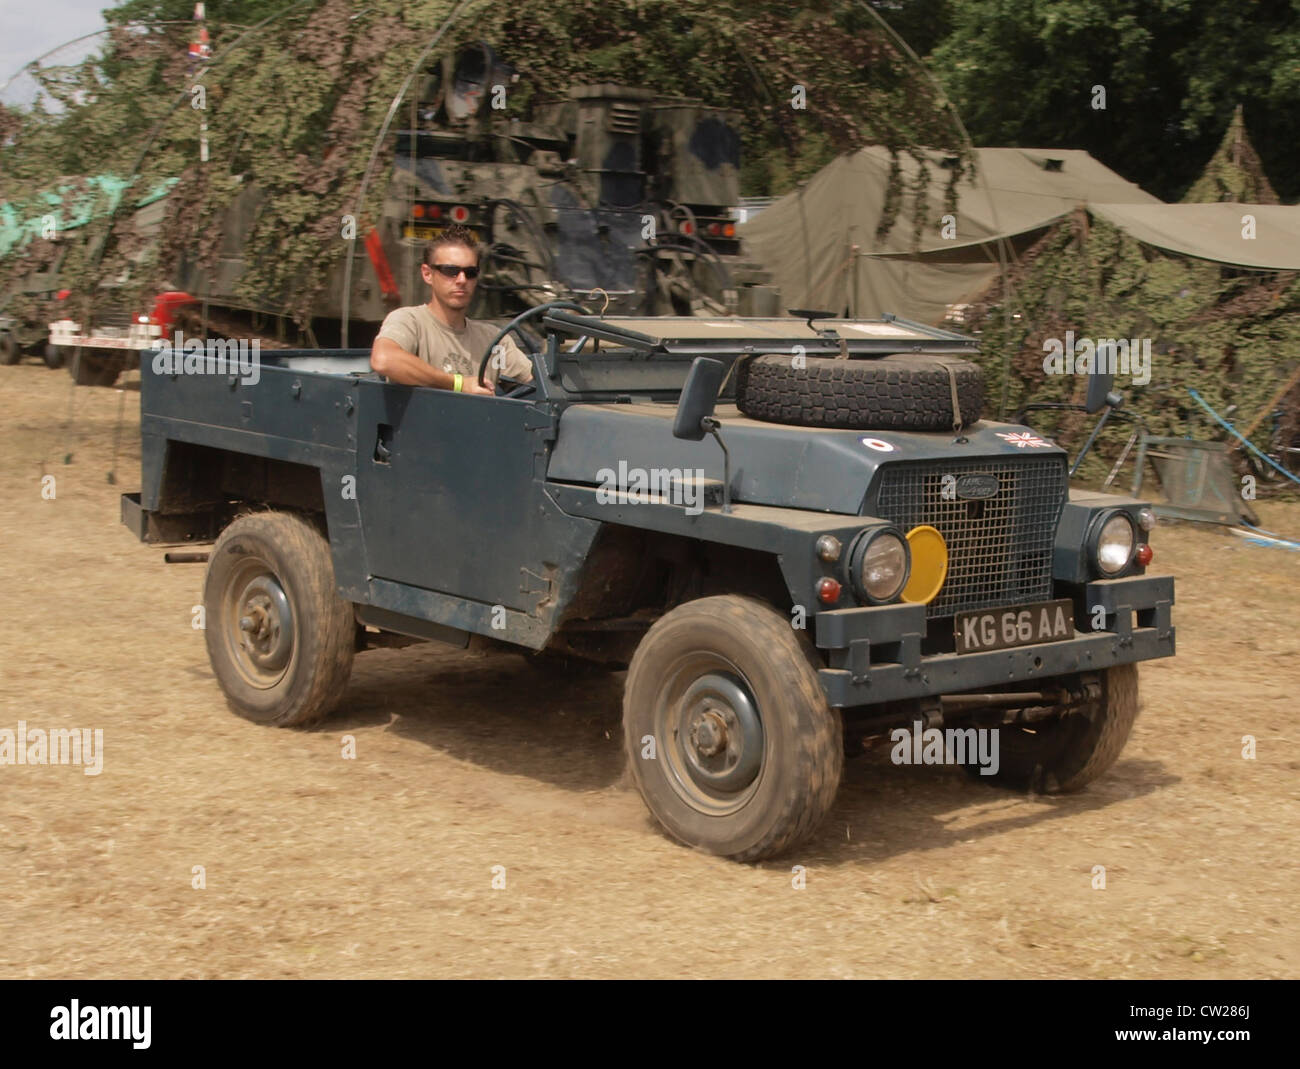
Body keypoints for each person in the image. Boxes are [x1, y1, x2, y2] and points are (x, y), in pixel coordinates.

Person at [369, 225, 532, 393]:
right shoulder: (410, 322)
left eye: (470, 272)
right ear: (427, 274)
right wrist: (459, 384)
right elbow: (384, 359)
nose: (462, 280)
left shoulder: (493, 341)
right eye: (450, 271)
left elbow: (535, 384)